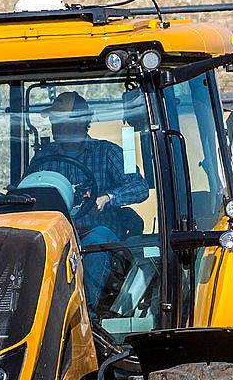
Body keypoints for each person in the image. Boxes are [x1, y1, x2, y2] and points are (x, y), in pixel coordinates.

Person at [26, 91, 148, 310]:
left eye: (61, 120)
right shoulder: (43, 157)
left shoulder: (108, 152)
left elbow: (140, 187)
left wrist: (109, 197)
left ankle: (86, 314)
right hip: (56, 238)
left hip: (102, 240)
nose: (56, 126)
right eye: (55, 121)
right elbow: (29, 190)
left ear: (81, 122)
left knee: (96, 240)